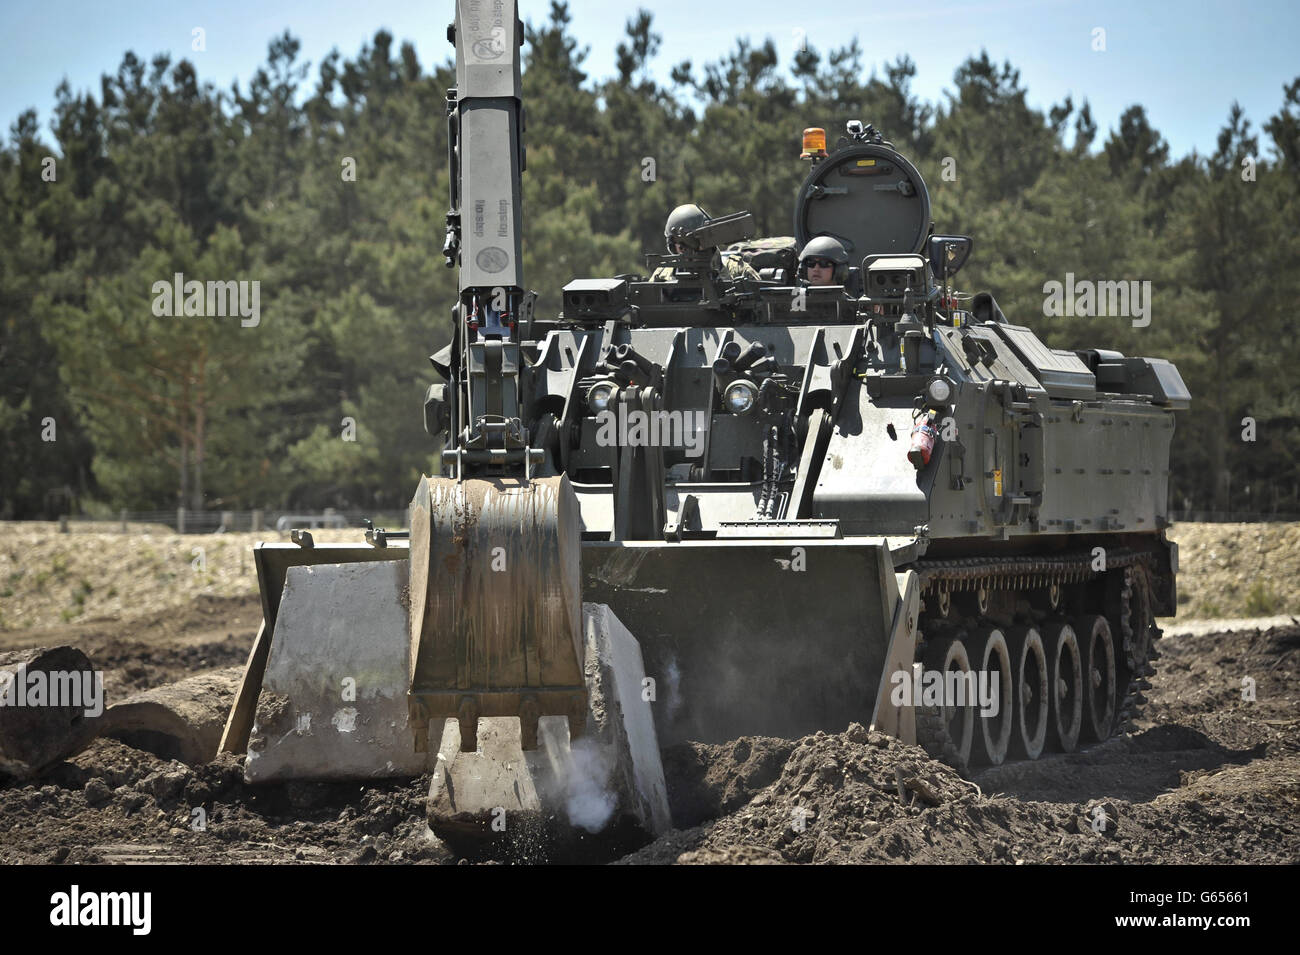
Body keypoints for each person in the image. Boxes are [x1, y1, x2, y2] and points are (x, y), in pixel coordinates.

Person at [652, 204, 758, 283]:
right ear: (673, 247)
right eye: (682, 246)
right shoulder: (662, 276)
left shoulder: (736, 271)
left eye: (696, 243)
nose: (691, 251)